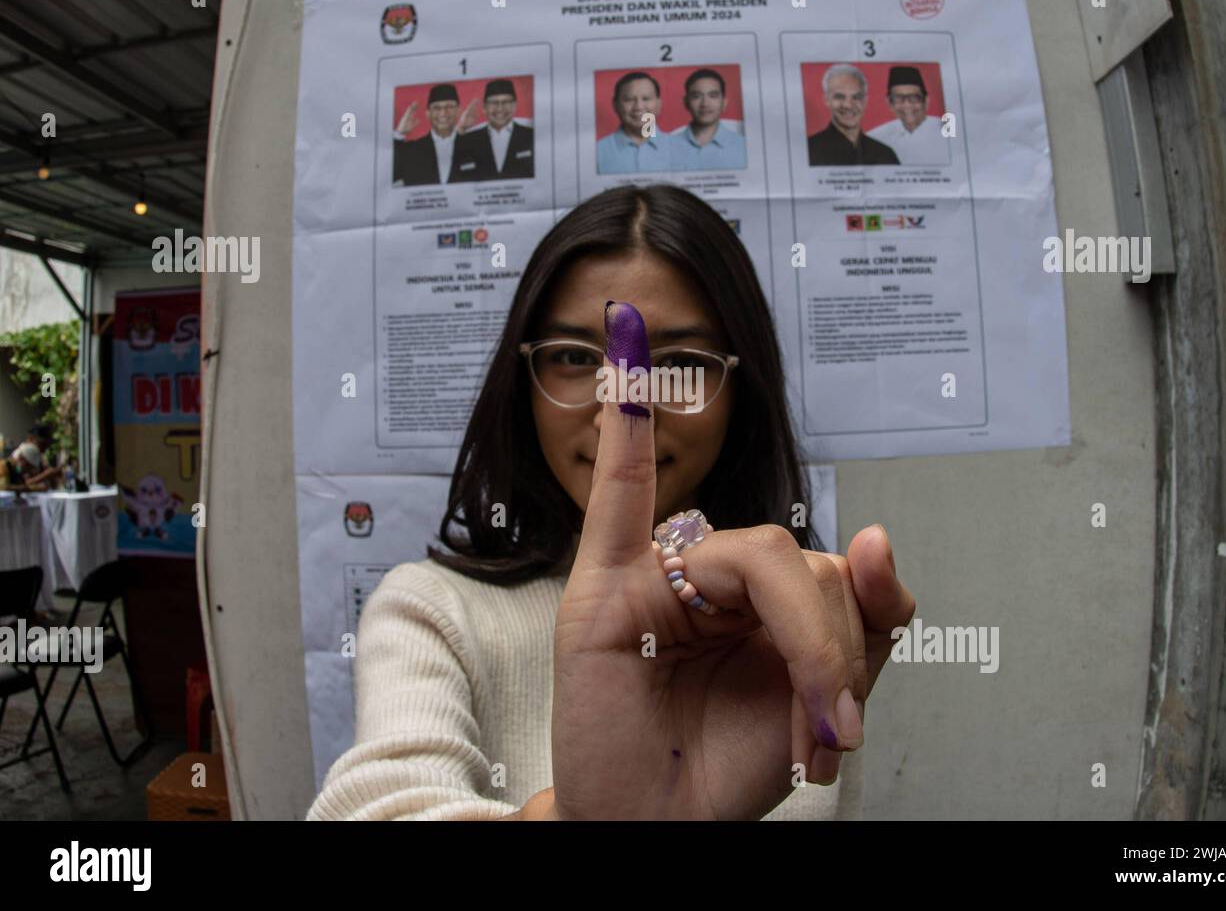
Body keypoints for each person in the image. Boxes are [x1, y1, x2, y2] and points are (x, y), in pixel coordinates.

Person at [307, 185, 915, 821]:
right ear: (522, 385)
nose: (620, 414)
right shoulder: (431, 611)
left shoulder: (793, 621)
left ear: (743, 392)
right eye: (573, 358)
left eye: (679, 363)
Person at [807, 64, 899, 167]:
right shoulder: (808, 150)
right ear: (827, 100)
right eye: (839, 97)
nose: (848, 105)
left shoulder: (885, 155)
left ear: (865, 101)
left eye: (856, 97)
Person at [391, 83, 480, 186]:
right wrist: (399, 134)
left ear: (458, 111)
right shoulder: (410, 150)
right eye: (437, 108)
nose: (443, 112)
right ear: (428, 114)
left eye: (449, 106)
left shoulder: (474, 147)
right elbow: (387, 177)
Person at [595, 72, 675, 174]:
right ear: (615, 105)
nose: (638, 107)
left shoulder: (679, 148)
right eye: (629, 100)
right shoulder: (597, 152)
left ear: (659, 104)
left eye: (646, 99)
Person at [866, 66, 949, 165]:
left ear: (926, 101)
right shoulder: (875, 138)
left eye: (914, 98)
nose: (907, 105)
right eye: (899, 98)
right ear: (889, 103)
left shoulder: (947, 131)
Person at [456, 78, 535, 180]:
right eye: (494, 103)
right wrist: (461, 128)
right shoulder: (468, 139)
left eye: (506, 102)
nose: (500, 108)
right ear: (484, 108)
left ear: (514, 106)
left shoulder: (531, 135)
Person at [670, 68, 747, 171]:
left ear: (724, 103)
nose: (705, 104)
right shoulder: (668, 147)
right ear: (686, 102)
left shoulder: (742, 146)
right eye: (696, 96)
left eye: (713, 96)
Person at [8, 424, 62, 492]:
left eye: (47, 444)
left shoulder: (37, 456)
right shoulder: (21, 456)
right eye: (42, 444)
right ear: (31, 438)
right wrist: (46, 475)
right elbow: (23, 482)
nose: (45, 447)